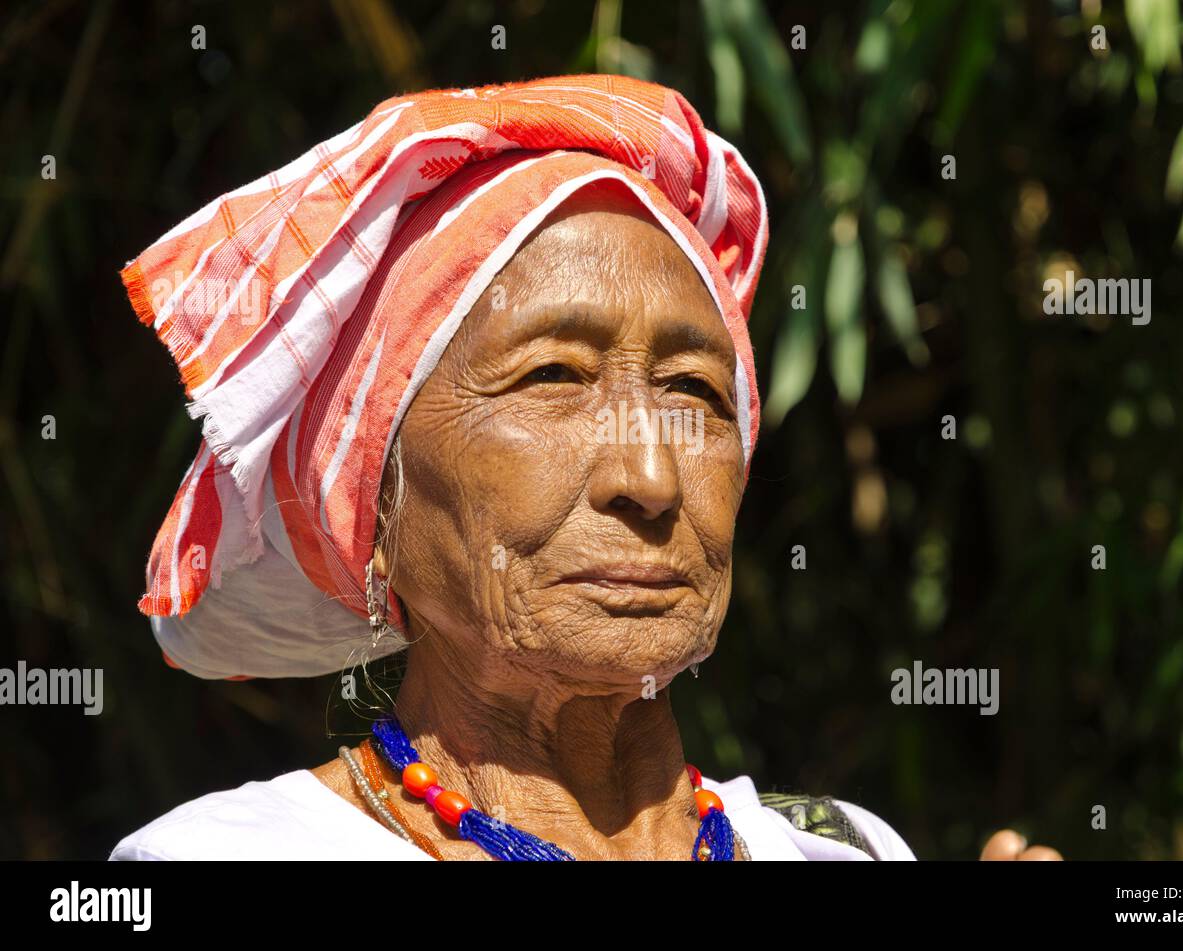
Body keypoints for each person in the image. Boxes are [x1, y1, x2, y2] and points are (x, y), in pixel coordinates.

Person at [109, 75, 1058, 861]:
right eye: (553, 377)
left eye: (694, 391)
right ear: (370, 506)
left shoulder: (840, 846)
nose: (651, 476)